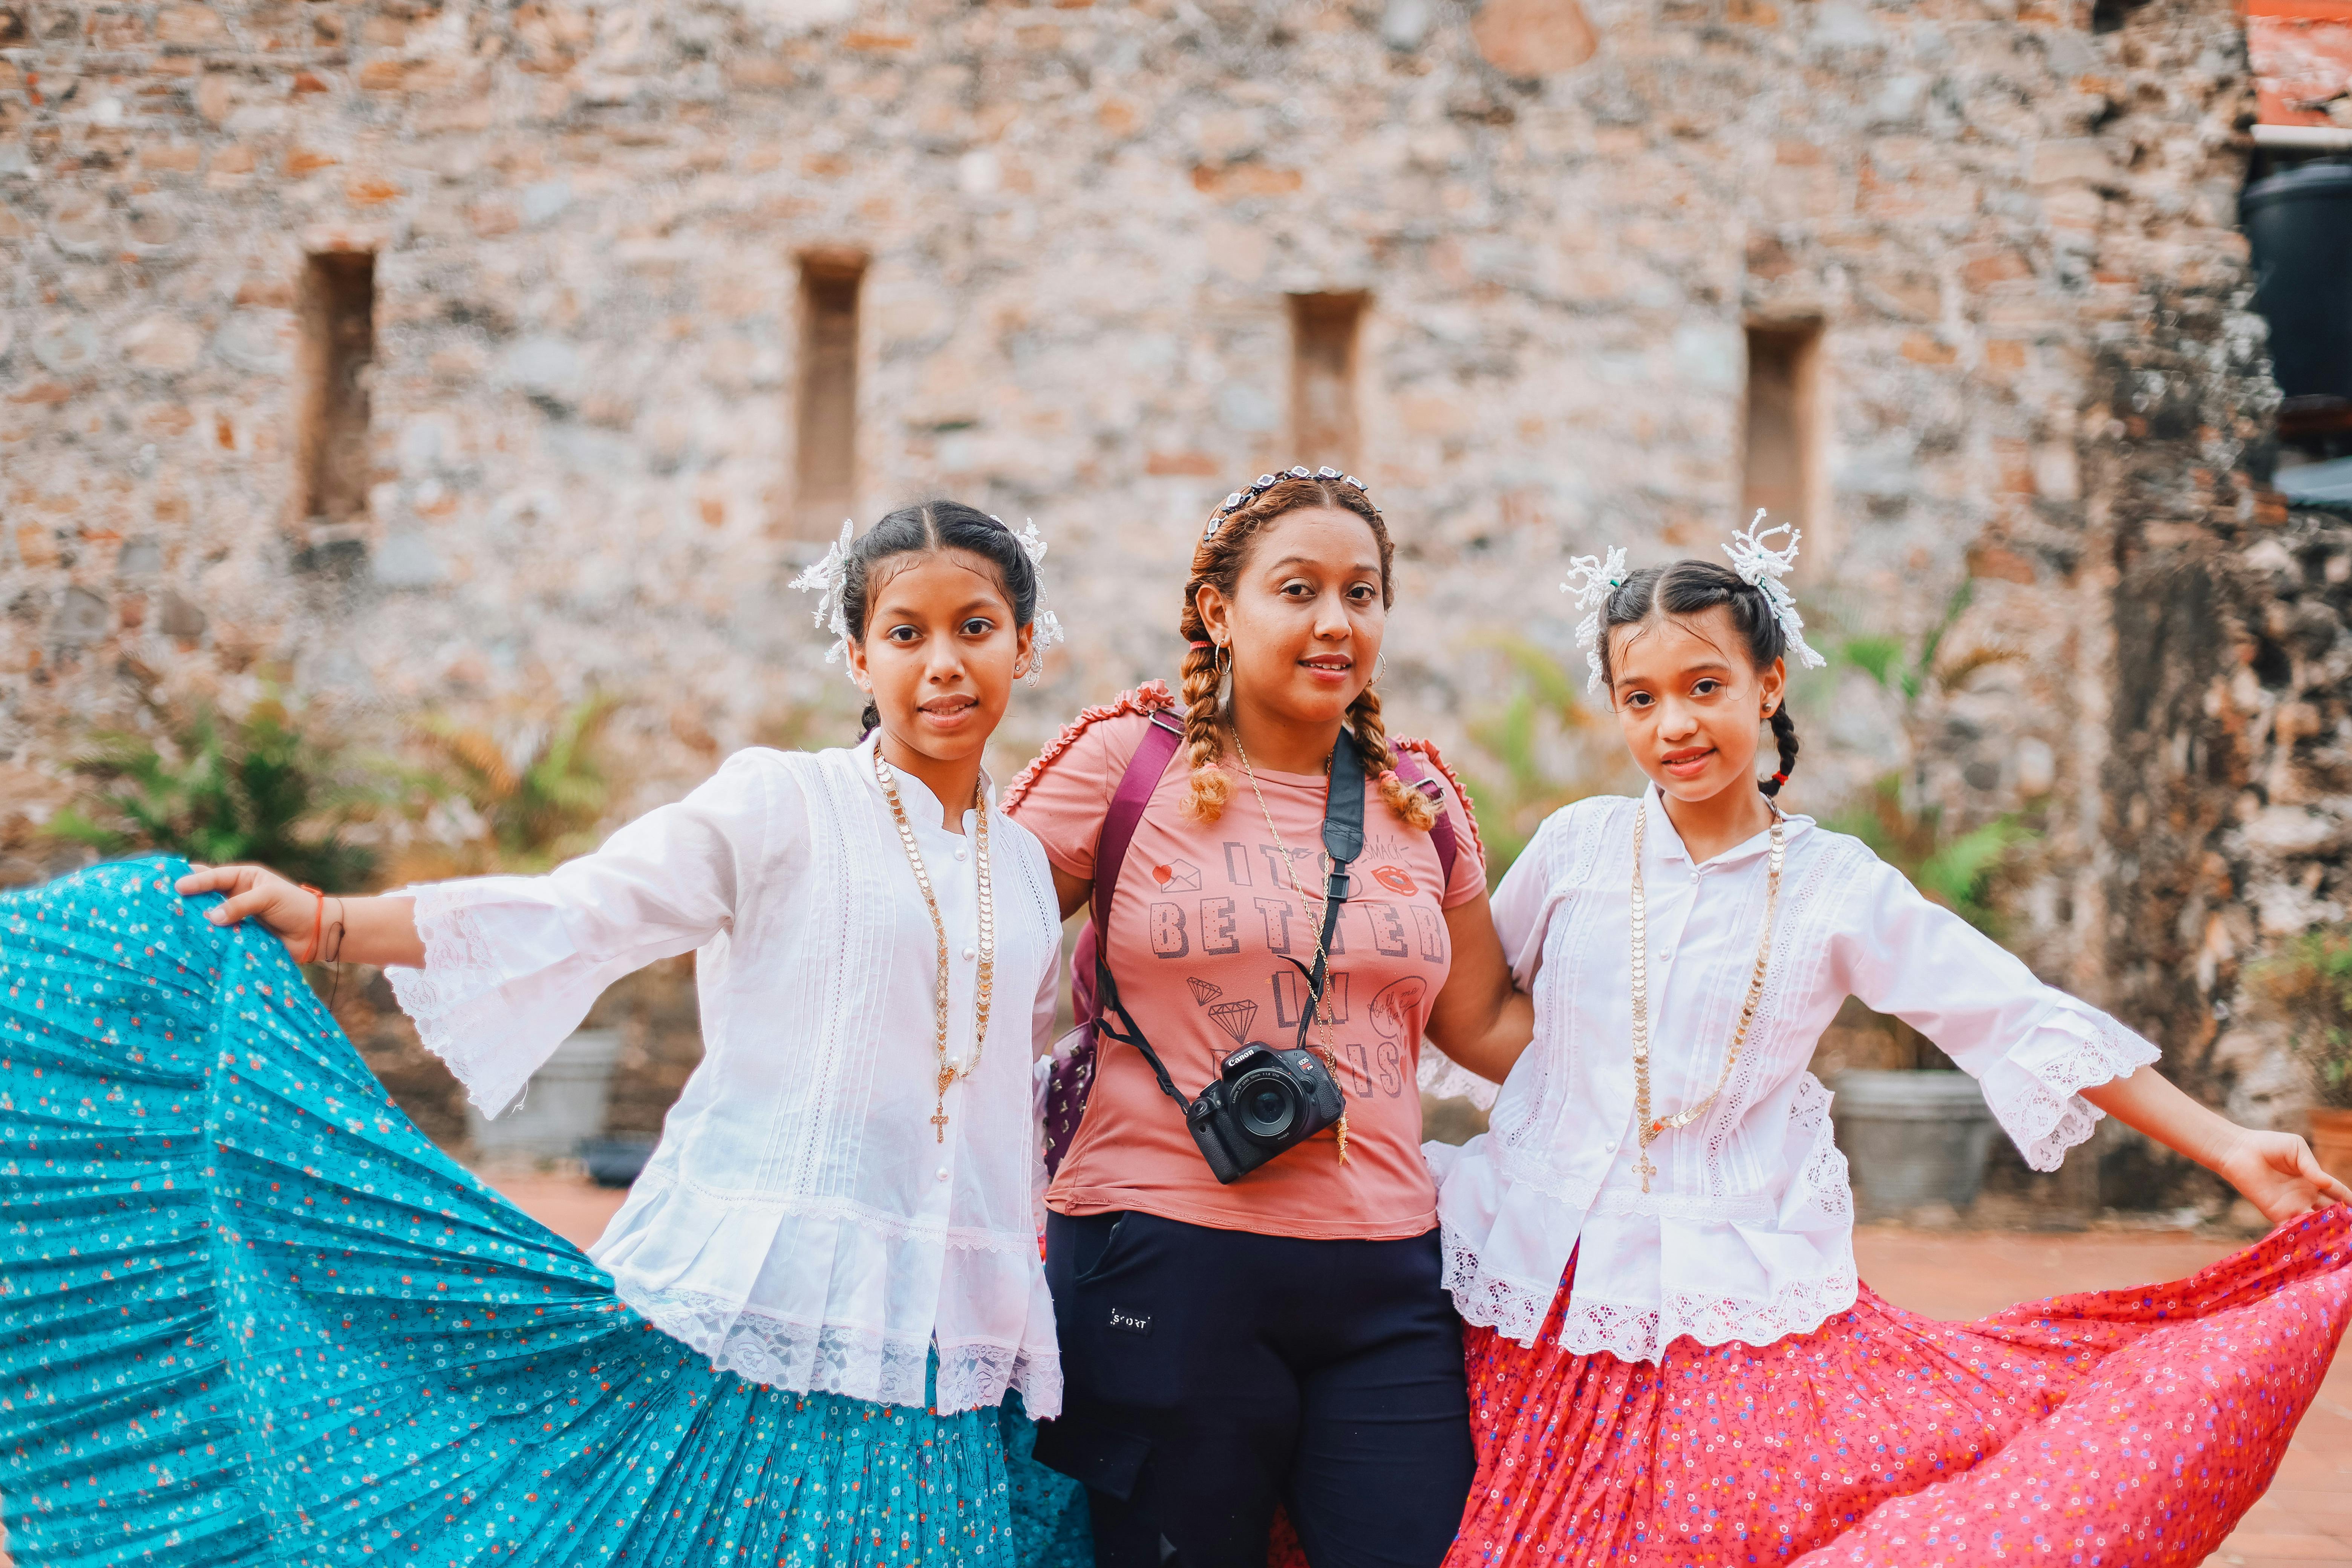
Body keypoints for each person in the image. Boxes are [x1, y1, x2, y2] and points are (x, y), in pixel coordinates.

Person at [0, 502, 1092, 1566]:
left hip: (942, 1346)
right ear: (859, 659)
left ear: (1024, 647)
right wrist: (328, 922)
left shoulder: (1027, 874)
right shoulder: (784, 806)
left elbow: (999, 1093)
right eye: (907, 633)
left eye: (975, 629)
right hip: (755, 1310)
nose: (943, 662)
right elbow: (580, 910)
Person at [1431, 516, 2352, 1568]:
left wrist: (2227, 1145)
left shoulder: (1836, 888)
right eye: (1641, 699)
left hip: (1731, 1305)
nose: (1674, 726)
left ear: (1767, 686)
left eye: (1705, 687)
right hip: (1520, 1282)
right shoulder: (1575, 850)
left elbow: (2011, 1013)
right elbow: (1478, 1018)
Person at [1003, 466, 1534, 1568]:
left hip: (1386, 1279)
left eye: (1363, 592)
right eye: (1298, 590)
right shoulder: (1126, 765)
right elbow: (964, 941)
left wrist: (1695, 1041)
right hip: (1156, 1263)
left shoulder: (1419, 800)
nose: (1338, 621)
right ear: (1217, 612)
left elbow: (1485, 1024)